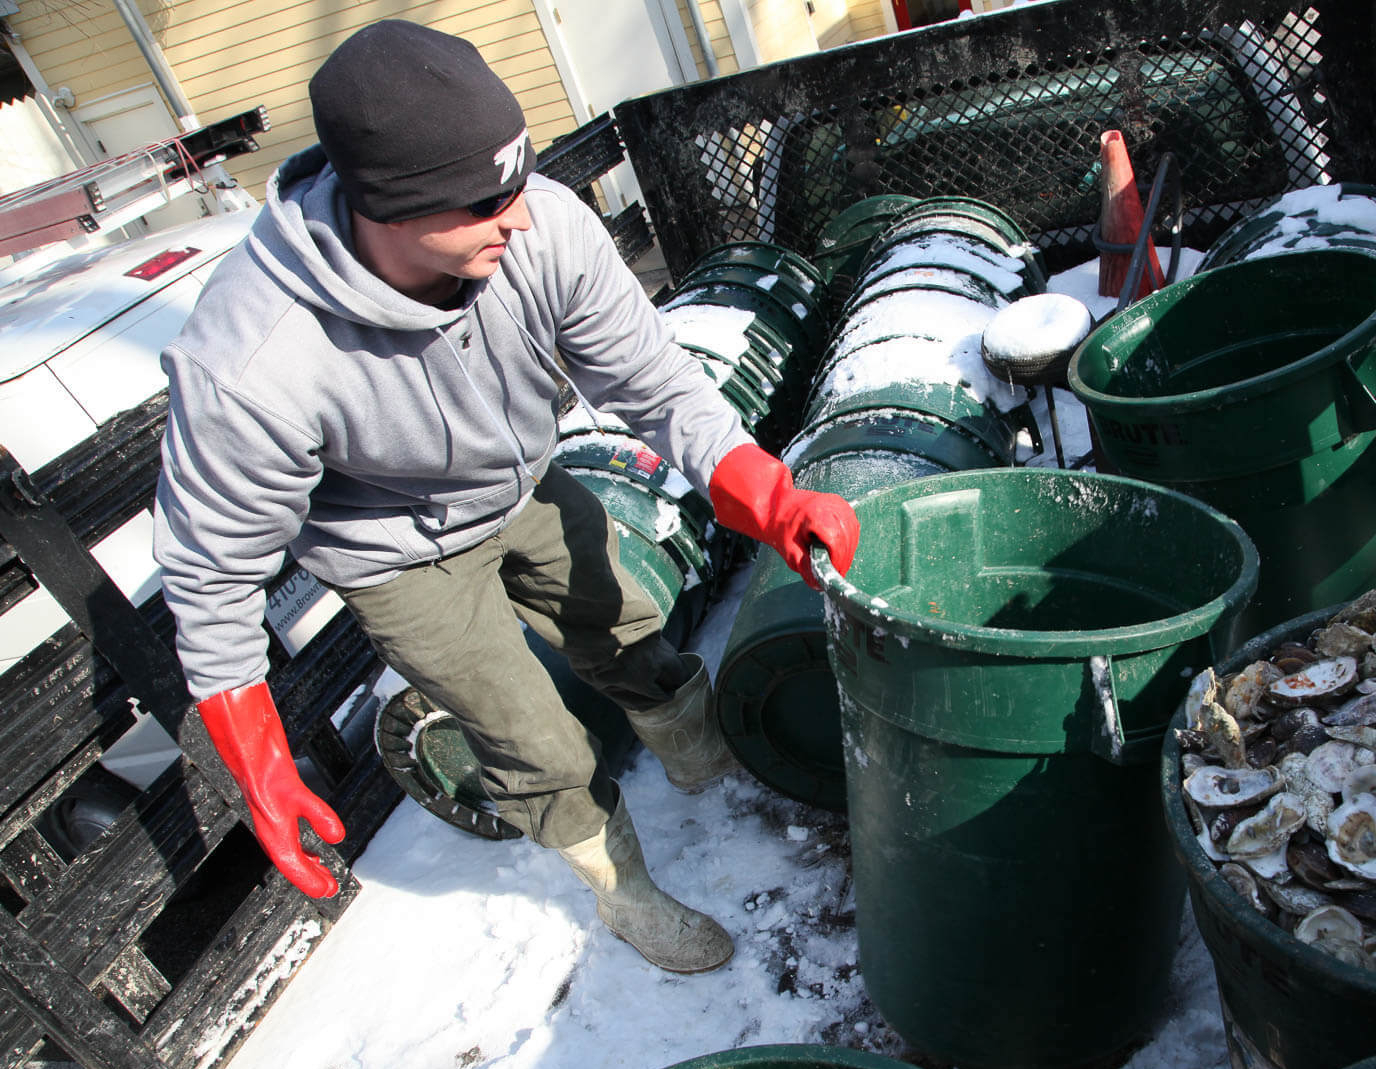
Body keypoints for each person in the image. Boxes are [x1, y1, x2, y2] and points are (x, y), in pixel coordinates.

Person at [152, 19, 858, 975]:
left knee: (624, 621)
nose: (519, 217)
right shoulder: (255, 358)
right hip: (396, 555)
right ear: (390, 207)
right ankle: (624, 891)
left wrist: (766, 493)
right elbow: (213, 569)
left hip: (518, 479)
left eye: (520, 182)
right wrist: (256, 756)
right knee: (535, 741)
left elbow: (655, 384)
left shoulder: (541, 227)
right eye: (487, 202)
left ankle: (699, 754)